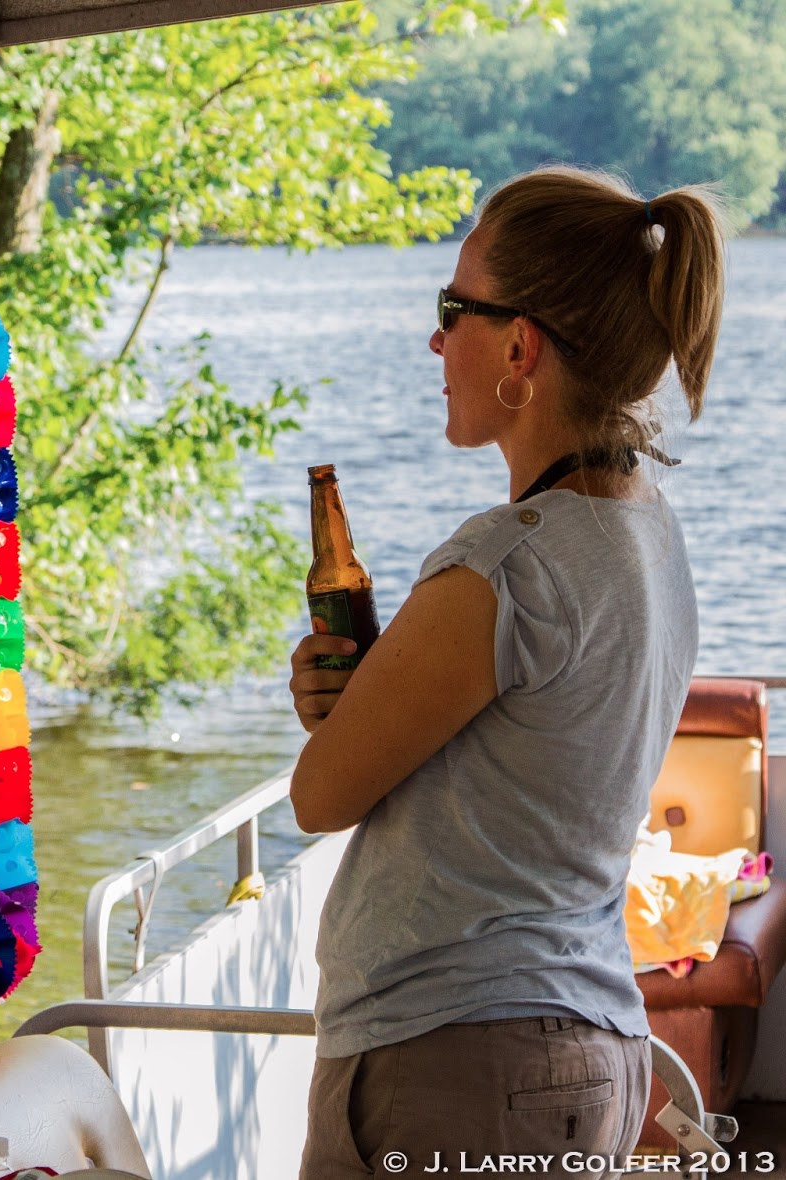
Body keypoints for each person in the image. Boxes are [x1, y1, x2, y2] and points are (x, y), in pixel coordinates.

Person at [287, 166, 726, 1179]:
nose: (436, 343)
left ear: (519, 348)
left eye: (454, 311)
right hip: (588, 1042)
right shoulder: (644, 537)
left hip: (460, 1063)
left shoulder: (505, 564)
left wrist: (350, 707)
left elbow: (319, 794)